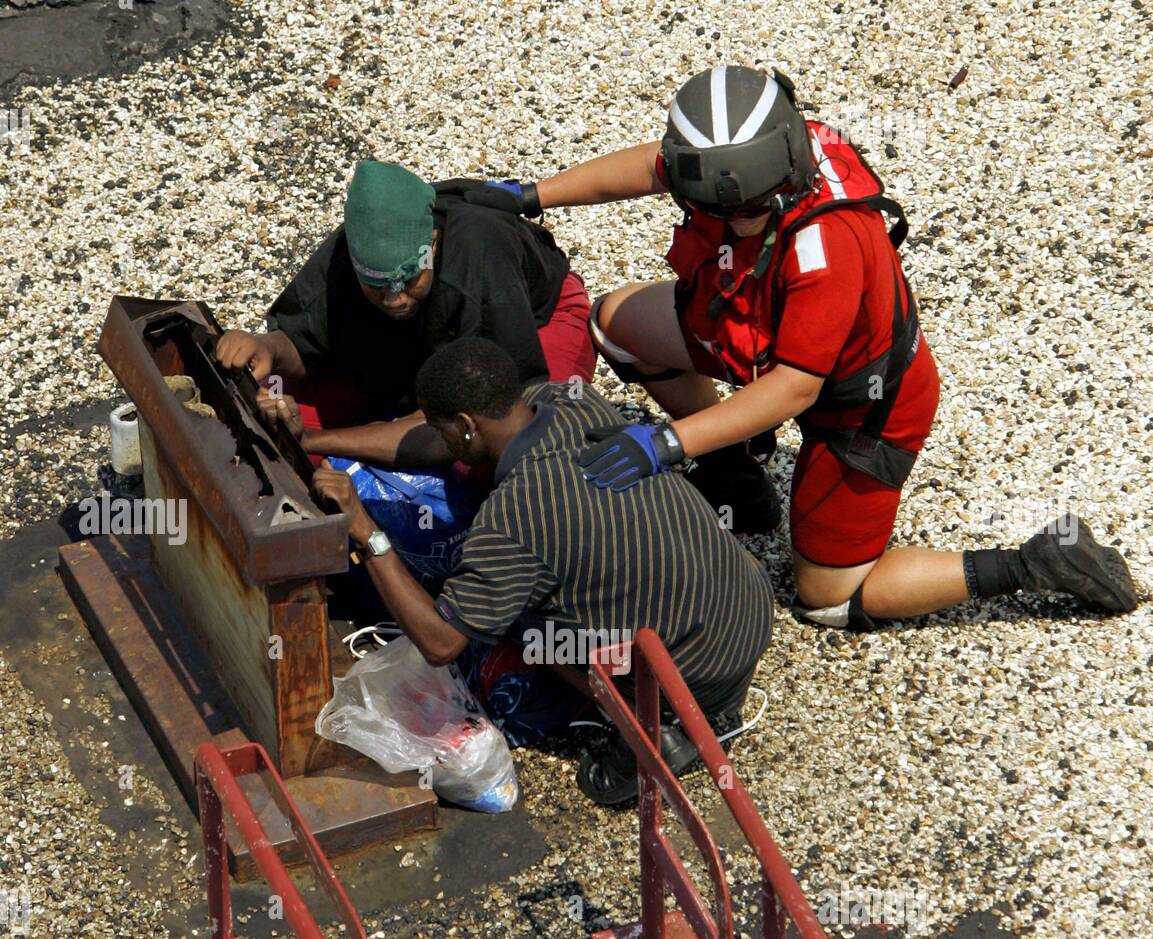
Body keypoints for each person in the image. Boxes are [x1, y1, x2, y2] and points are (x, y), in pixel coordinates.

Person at [462, 65, 1138, 629]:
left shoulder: (827, 249)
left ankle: (1030, 565)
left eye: (748, 211)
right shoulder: (766, 147)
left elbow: (793, 388)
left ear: (782, 174)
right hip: (756, 330)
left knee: (826, 600)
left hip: (860, 406)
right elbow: (655, 166)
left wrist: (666, 443)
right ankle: (735, 477)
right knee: (616, 323)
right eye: (717, 209)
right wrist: (528, 195)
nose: (734, 223)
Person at [310, 337, 775, 805]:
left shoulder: (513, 520)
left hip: (690, 679)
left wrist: (367, 531)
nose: (439, 441)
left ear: (468, 425)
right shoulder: (569, 403)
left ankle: (645, 728)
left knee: (520, 625)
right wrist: (314, 440)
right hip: (746, 613)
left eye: (443, 430)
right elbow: (436, 444)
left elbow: (439, 643)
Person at [214, 160, 596, 469]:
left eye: (409, 280)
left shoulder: (479, 261)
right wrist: (267, 346)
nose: (395, 300)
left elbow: (479, 421)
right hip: (416, 345)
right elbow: (307, 341)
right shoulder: (344, 261)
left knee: (504, 454)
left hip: (539, 320)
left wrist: (314, 442)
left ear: (431, 244)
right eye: (377, 288)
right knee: (268, 407)